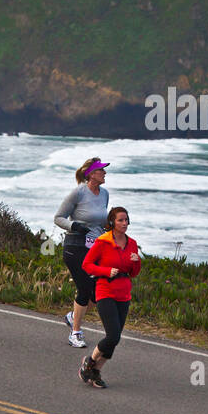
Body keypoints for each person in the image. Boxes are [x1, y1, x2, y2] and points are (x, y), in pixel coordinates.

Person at [78, 207, 141, 388]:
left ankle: (95, 371)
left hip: (124, 293)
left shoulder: (132, 243)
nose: (124, 223)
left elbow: (134, 273)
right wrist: (106, 271)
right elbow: (87, 265)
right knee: (112, 336)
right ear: (112, 222)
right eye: (121, 220)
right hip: (105, 290)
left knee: (115, 339)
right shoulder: (103, 242)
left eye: (127, 220)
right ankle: (89, 361)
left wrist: (137, 262)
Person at [53, 157, 111, 348]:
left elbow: (100, 221)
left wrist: (114, 227)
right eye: (101, 170)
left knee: (96, 294)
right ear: (91, 174)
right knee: (85, 289)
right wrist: (74, 225)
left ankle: (73, 316)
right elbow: (58, 218)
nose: (104, 173)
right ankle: (75, 333)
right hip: (75, 246)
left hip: (95, 248)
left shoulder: (104, 194)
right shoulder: (78, 193)